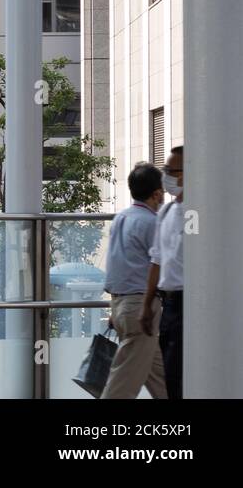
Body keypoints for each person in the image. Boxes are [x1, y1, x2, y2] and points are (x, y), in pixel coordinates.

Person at [100, 162, 167, 398]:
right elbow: (160, 266)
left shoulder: (122, 218)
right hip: (141, 309)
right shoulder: (152, 223)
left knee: (163, 376)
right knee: (121, 385)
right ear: (157, 193)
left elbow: (116, 261)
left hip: (120, 305)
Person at [142, 145, 184, 399]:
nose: (166, 176)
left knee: (182, 374)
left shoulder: (206, 213)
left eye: (171, 170)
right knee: (171, 374)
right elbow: (156, 261)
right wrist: (147, 305)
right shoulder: (166, 212)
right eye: (165, 169)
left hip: (191, 303)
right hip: (169, 305)